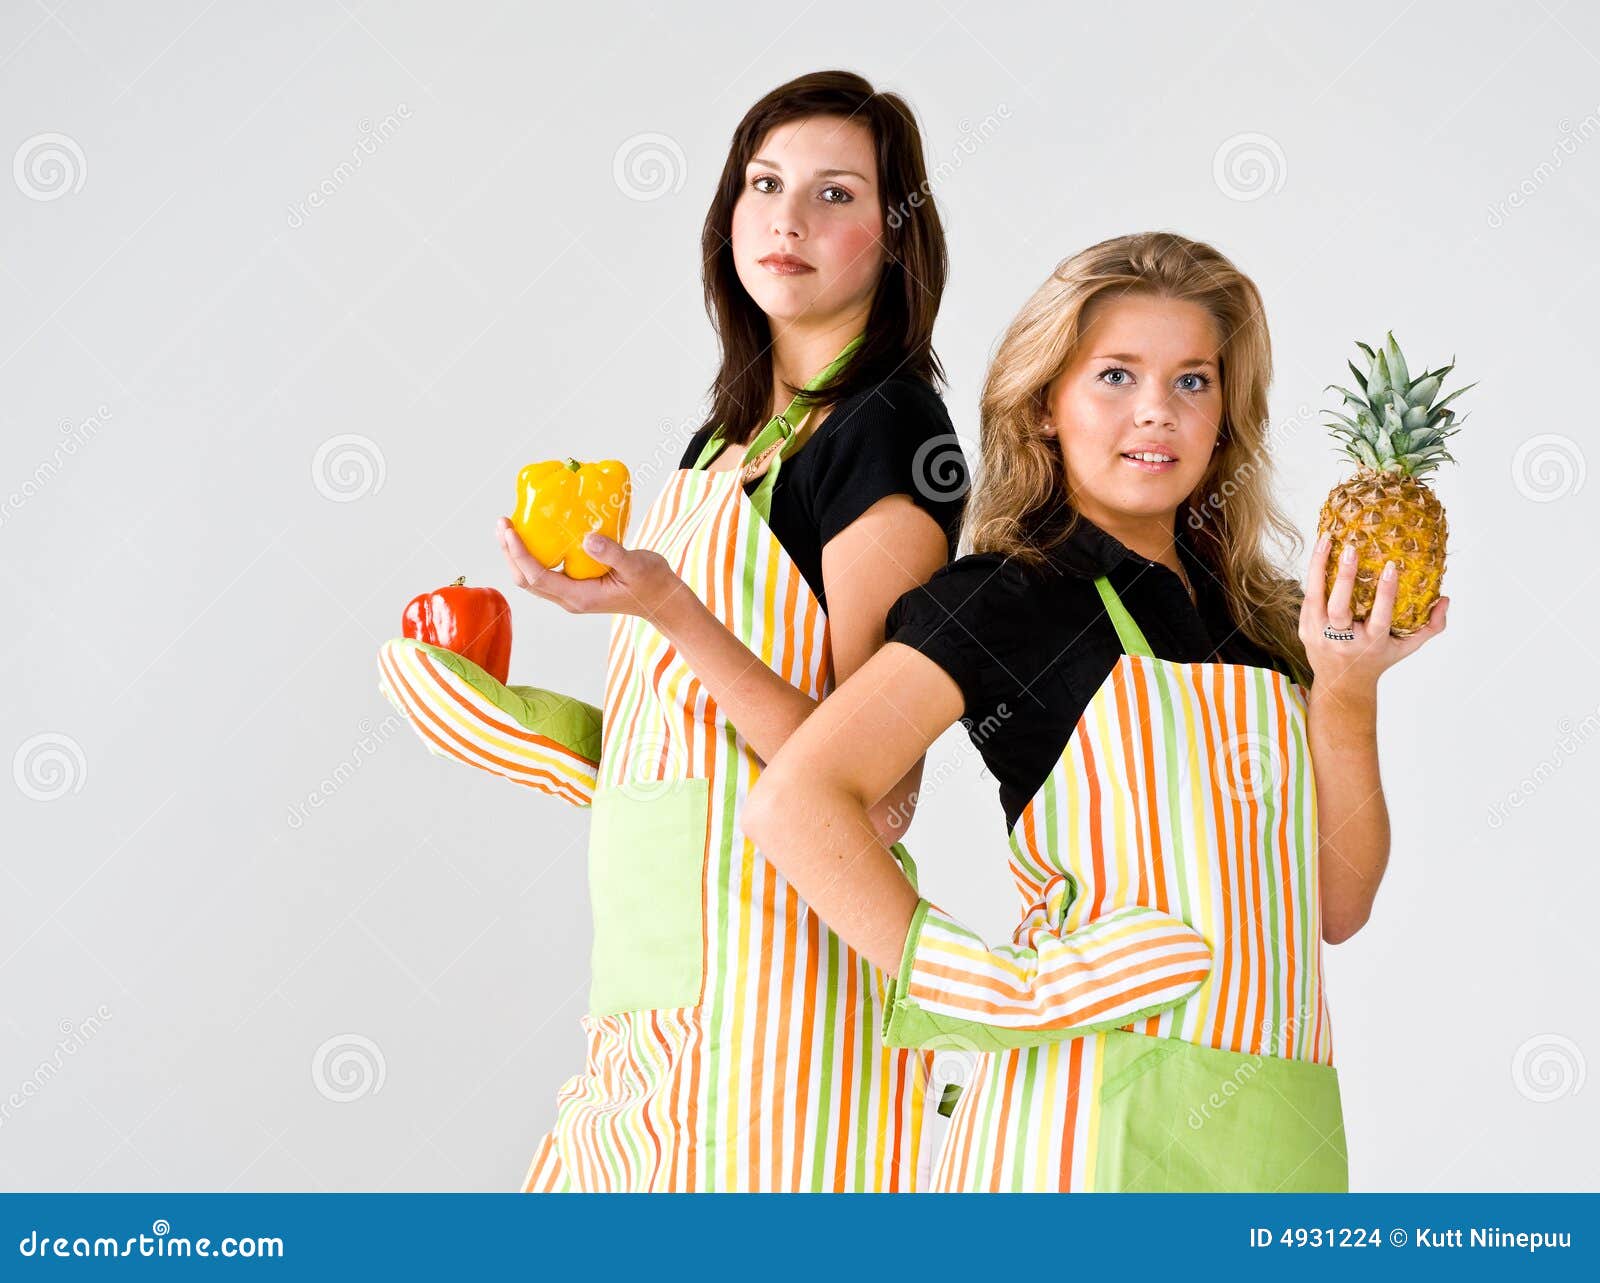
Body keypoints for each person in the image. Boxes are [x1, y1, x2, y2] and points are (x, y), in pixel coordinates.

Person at [742, 230, 1448, 1191]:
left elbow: (1336, 904)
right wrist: (994, 989)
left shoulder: (1273, 625)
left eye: (1193, 382)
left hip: (1274, 1141)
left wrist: (1350, 689)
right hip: (1074, 1146)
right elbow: (796, 800)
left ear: (1224, 418)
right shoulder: (1004, 599)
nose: (1156, 412)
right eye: (1116, 376)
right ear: (1043, 406)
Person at [379, 70, 968, 1191]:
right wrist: (510, 717)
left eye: (836, 193)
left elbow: (878, 784)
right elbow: (688, 750)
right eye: (763, 182)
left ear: (895, 243)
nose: (787, 217)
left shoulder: (886, 432)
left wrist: (668, 608)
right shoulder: (726, 438)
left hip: (778, 1024)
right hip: (656, 1000)